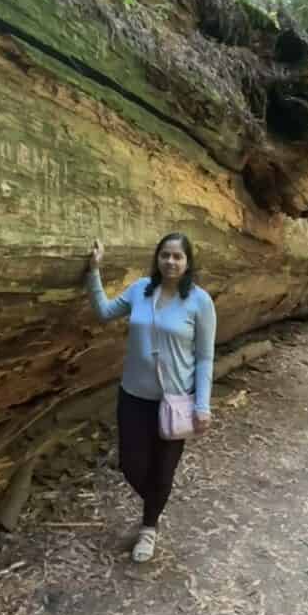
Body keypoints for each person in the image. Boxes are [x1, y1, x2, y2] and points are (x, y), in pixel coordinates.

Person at [85, 233, 216, 562]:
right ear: (157, 258)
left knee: (163, 469)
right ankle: (156, 502)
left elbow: (204, 357)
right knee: (132, 464)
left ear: (188, 263)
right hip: (133, 396)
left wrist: (202, 405)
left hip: (175, 401)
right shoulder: (140, 290)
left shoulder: (200, 302)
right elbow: (103, 311)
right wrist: (93, 271)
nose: (171, 262)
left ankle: (148, 528)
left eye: (178, 257)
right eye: (165, 255)